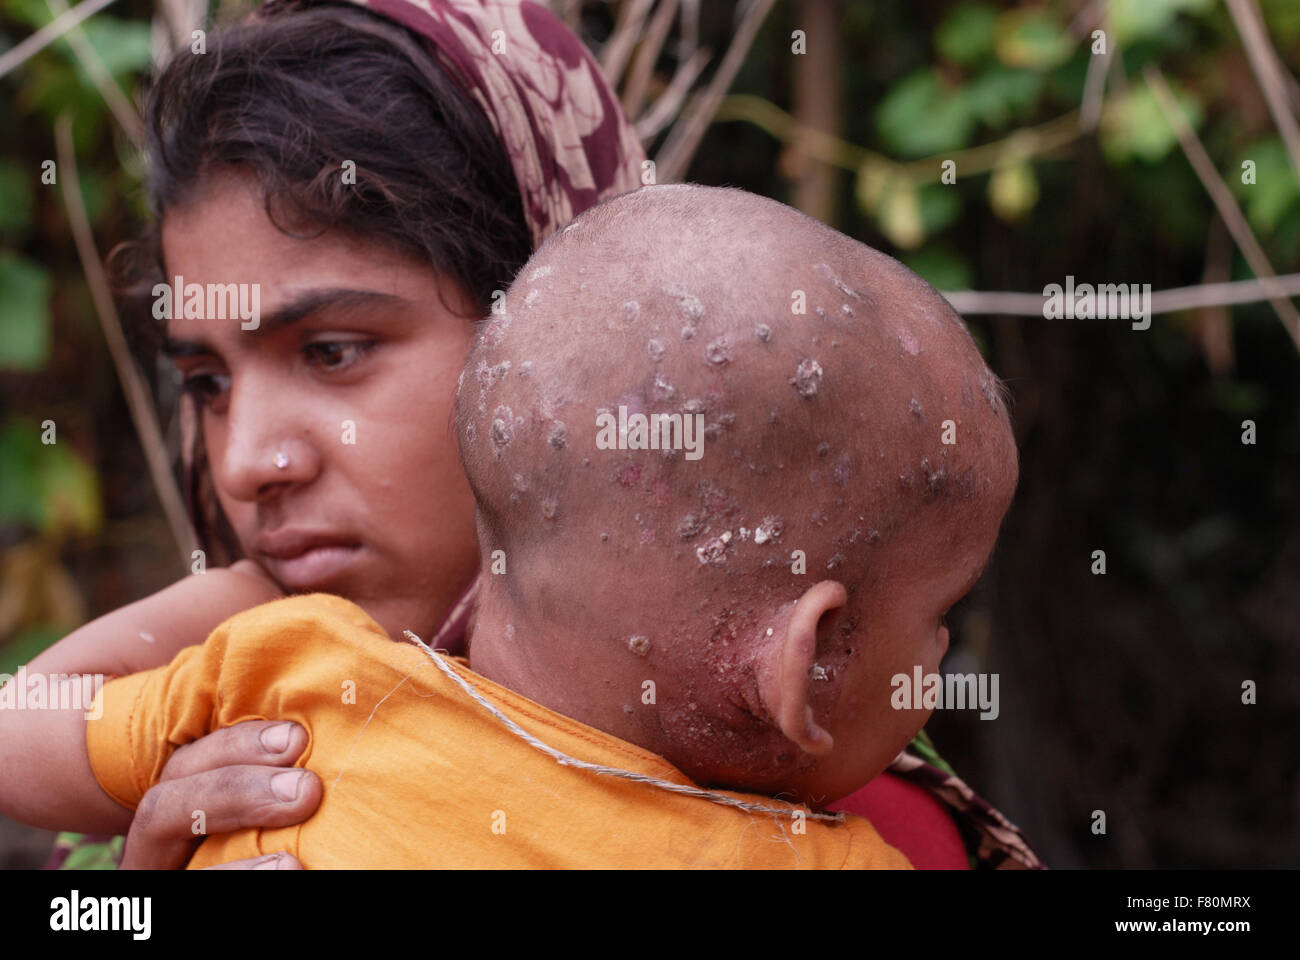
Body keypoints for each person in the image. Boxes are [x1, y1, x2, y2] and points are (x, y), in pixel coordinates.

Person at [19, 0, 1039, 869]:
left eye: (332, 352)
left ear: (562, 331)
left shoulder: (854, 820)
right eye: (204, 380)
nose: (245, 463)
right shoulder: (217, 739)